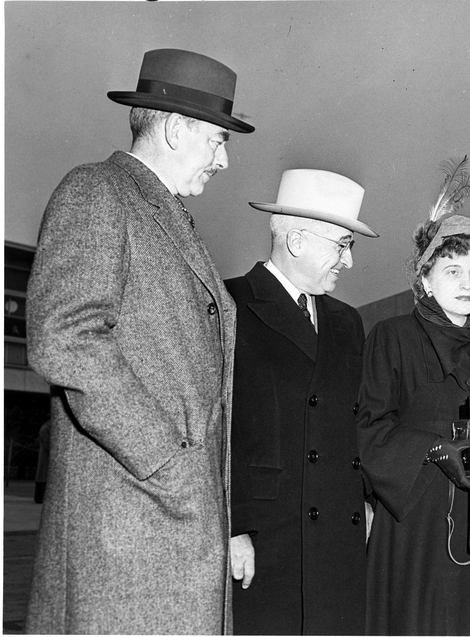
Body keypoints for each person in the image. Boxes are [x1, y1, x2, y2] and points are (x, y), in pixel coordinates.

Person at [24, 48, 254, 634]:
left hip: (164, 528)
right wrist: (166, 463)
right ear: (177, 129)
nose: (223, 161)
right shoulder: (98, 191)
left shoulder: (168, 215)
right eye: (218, 141)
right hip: (128, 530)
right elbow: (66, 337)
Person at [357, 157, 470, 635]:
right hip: (413, 521)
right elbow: (371, 429)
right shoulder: (391, 336)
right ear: (425, 278)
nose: (466, 284)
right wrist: (437, 451)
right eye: (453, 270)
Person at [226, 168, 378, 635]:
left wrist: (367, 504)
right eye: (342, 245)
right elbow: (214, 428)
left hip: (338, 540)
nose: (349, 261)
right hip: (264, 541)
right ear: (296, 242)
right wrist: (232, 529)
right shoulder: (229, 302)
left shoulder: (348, 322)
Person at [34, 419, 51, 504]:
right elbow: (47, 443)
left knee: (42, 476)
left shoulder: (46, 428)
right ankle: (40, 497)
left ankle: (40, 497)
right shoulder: (46, 429)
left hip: (44, 455)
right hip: (45, 456)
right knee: (43, 477)